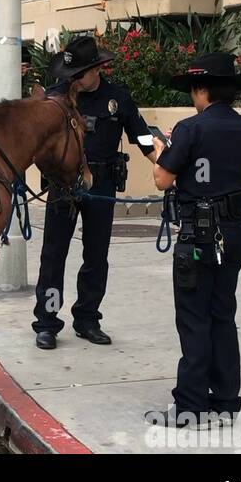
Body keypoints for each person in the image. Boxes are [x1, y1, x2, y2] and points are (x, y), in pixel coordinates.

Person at [145, 53, 241, 429]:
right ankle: (226, 401)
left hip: (199, 232)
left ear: (201, 89)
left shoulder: (190, 129)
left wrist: (162, 152)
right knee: (223, 314)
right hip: (235, 230)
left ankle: (191, 405)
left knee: (194, 318)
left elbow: (163, 179)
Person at [32, 36, 158, 350]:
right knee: (53, 255)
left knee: (96, 255)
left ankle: (87, 318)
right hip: (64, 183)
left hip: (101, 184)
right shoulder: (55, 98)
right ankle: (47, 323)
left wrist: (162, 163)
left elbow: (141, 137)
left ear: (97, 69)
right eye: (70, 74)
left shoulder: (118, 98)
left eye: (80, 74)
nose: (74, 80)